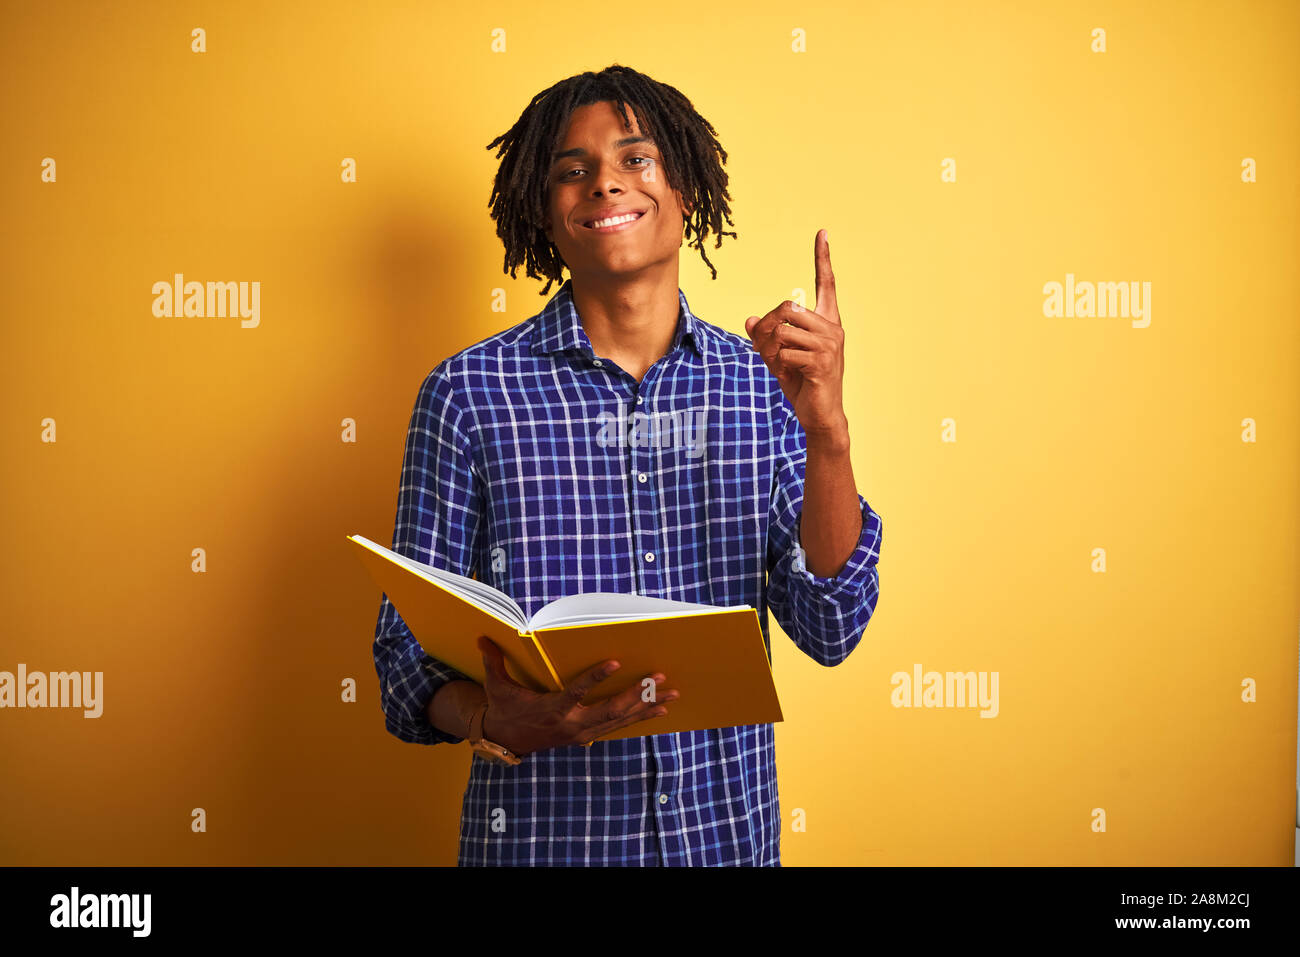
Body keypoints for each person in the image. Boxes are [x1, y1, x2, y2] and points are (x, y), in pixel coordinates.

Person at [373, 64, 883, 865]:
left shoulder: (762, 380)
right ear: (546, 213)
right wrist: (491, 720)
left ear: (687, 190)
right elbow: (403, 661)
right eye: (572, 171)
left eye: (635, 160)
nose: (605, 185)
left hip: (726, 845)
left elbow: (831, 626)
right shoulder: (466, 395)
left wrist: (829, 434)